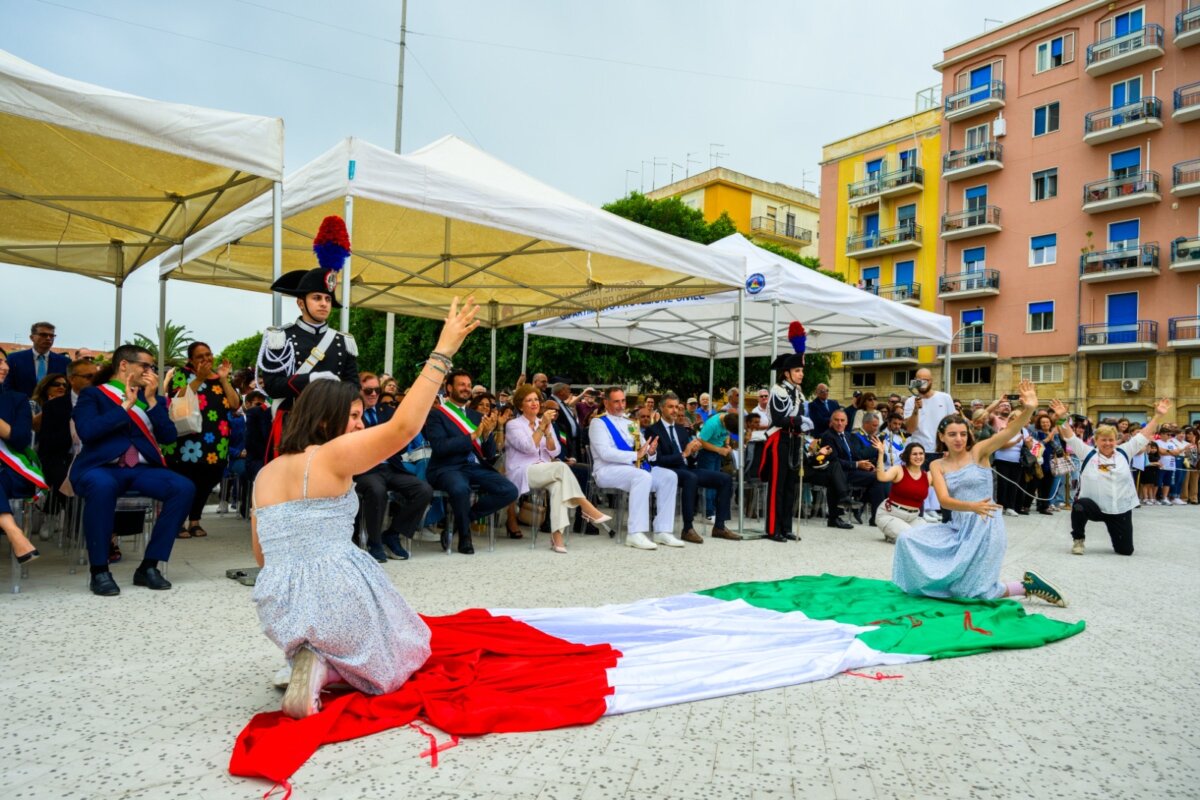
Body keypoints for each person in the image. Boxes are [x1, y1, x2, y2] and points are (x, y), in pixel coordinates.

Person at [251, 297, 479, 718]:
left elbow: (262, 556)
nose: (359, 425)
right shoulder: (333, 454)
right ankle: (323, 668)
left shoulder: (264, 476)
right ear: (325, 421)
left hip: (277, 603)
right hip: (336, 593)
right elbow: (404, 427)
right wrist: (443, 351)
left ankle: (304, 653)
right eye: (354, 416)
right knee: (405, 654)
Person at [892, 380, 1066, 607]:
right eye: (952, 434)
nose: (959, 439)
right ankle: (1019, 586)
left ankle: (1027, 586)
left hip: (986, 527)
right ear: (942, 437)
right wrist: (971, 506)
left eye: (963, 434)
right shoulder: (938, 465)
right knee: (906, 539)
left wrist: (1030, 408)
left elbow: (1010, 431)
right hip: (957, 526)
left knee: (974, 594)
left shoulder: (978, 452)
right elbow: (944, 500)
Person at [71, 344, 194, 596]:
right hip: (100, 467)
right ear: (124, 366)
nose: (151, 371)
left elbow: (169, 437)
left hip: (140, 468)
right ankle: (99, 570)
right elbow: (88, 432)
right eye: (146, 366)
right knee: (102, 487)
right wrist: (125, 406)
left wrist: (150, 401)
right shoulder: (93, 395)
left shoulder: (151, 399)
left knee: (183, 487)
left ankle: (149, 566)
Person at [257, 216, 360, 460]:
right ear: (301, 303)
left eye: (327, 299)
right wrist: (311, 378)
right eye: (317, 298)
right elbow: (272, 386)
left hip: (332, 425)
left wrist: (334, 392)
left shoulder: (342, 341)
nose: (324, 304)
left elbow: (353, 385)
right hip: (295, 421)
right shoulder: (280, 337)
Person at [1050, 397, 1171, 557]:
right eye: (1103, 440)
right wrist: (1061, 419)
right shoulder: (1087, 452)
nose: (1107, 443)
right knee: (1079, 506)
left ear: (1116, 440)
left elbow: (1144, 434)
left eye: (1111, 440)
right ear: (1096, 440)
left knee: (1126, 551)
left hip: (1119, 508)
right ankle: (1078, 539)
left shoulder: (1124, 451)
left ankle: (1119, 538)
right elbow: (1069, 436)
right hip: (1095, 507)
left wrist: (1158, 416)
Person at [503, 385, 611, 554]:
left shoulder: (544, 422)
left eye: (536, 399)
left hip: (546, 469)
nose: (534, 403)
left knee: (558, 486)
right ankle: (586, 506)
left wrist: (547, 433)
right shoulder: (513, 425)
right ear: (520, 405)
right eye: (529, 400)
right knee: (560, 468)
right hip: (523, 471)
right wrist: (542, 427)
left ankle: (557, 536)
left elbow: (555, 451)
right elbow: (528, 447)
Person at [422, 369, 518, 554]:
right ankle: (465, 537)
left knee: (509, 490)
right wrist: (473, 435)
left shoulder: (475, 416)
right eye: (461, 385)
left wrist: (489, 434)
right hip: (447, 467)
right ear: (449, 388)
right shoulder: (437, 414)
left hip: (473, 466)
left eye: (468, 385)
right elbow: (440, 447)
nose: (466, 389)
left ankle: (461, 522)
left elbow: (489, 454)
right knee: (460, 489)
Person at [354, 373, 434, 562]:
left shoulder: (387, 412)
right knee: (376, 489)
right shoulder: (351, 414)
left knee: (423, 490)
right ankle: (375, 543)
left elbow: (401, 441)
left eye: (377, 390)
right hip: (364, 469)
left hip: (390, 466)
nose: (374, 394)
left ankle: (392, 534)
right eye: (368, 390)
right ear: (358, 391)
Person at [588, 386, 679, 550]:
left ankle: (663, 530)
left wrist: (651, 452)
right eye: (616, 401)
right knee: (642, 477)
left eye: (623, 401)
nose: (621, 405)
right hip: (607, 470)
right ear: (606, 402)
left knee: (669, 476)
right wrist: (635, 456)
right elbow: (604, 453)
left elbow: (644, 450)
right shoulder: (598, 423)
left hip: (633, 469)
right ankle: (635, 533)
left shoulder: (631, 423)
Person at [165, 342, 238, 539]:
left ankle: (195, 520)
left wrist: (224, 380)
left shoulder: (220, 377)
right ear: (190, 360)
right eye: (200, 357)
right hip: (187, 440)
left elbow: (234, 403)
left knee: (207, 480)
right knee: (184, 481)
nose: (206, 359)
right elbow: (177, 398)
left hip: (216, 440)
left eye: (208, 355)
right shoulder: (182, 373)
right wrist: (199, 379)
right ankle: (178, 521)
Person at [647, 394, 738, 543]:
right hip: (666, 471)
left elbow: (689, 457)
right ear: (662, 408)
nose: (675, 410)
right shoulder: (653, 430)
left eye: (676, 407)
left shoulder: (681, 429)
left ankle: (719, 527)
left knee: (725, 479)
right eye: (670, 407)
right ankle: (687, 528)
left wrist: (694, 451)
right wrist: (685, 453)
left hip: (685, 469)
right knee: (691, 477)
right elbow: (657, 460)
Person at [759, 322, 809, 541]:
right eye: (797, 371)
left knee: (791, 486)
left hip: (795, 441)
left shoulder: (797, 392)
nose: (801, 374)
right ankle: (773, 529)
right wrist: (799, 420)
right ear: (787, 373)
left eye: (801, 371)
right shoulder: (778, 390)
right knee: (778, 486)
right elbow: (779, 418)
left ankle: (786, 527)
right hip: (780, 440)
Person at [0, 349, 43, 564]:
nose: (5, 367)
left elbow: (19, 439)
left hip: (10, 471)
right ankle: (14, 532)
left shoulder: (17, 399)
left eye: (5, 362)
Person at [902, 368, 956, 523]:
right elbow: (910, 429)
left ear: (931, 381)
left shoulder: (944, 398)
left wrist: (949, 448)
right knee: (917, 487)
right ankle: (916, 520)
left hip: (941, 450)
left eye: (925, 380)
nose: (922, 383)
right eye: (919, 379)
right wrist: (915, 410)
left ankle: (948, 521)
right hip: (919, 450)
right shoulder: (910, 401)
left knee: (944, 487)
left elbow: (952, 425)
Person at [821, 410, 888, 527]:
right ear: (831, 422)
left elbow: (856, 455)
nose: (839, 423)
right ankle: (864, 510)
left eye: (842, 420)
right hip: (839, 473)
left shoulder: (846, 435)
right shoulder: (828, 436)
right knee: (877, 479)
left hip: (852, 471)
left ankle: (873, 515)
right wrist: (857, 465)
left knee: (879, 477)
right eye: (836, 420)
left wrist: (868, 466)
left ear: (847, 422)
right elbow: (834, 460)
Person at [871, 439, 929, 544]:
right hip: (890, 514)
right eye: (914, 454)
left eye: (921, 454)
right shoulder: (898, 470)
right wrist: (880, 454)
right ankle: (895, 531)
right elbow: (881, 477)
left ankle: (894, 534)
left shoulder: (928, 476)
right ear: (908, 456)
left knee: (927, 538)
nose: (918, 456)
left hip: (913, 518)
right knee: (910, 538)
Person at [2, 322, 70, 396]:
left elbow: (68, 388)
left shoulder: (64, 362)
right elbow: (7, 386)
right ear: (32, 337)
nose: (48, 338)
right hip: (22, 405)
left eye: (51, 335)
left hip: (53, 405)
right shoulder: (14, 359)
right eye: (43, 335)